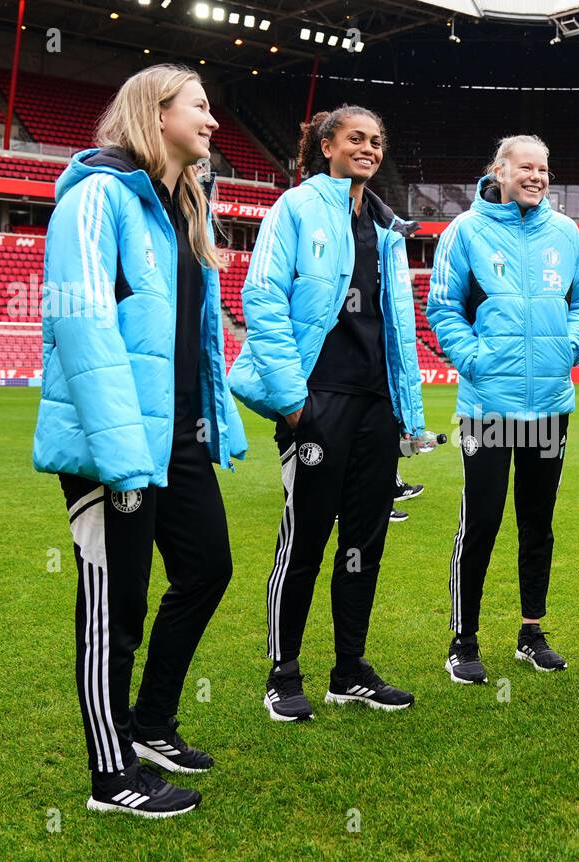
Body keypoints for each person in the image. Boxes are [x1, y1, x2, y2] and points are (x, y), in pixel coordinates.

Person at [32, 64, 248, 818]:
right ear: (154, 114)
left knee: (208, 569)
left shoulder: (181, 206)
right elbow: (82, 327)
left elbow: (191, 340)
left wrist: (212, 424)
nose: (213, 122)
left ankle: (150, 723)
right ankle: (110, 774)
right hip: (112, 444)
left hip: (176, 438)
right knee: (114, 608)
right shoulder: (96, 197)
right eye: (199, 107)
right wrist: (123, 458)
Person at [228, 104, 425, 719]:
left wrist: (406, 415)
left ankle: (350, 669)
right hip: (318, 402)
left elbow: (396, 329)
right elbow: (261, 296)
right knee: (306, 539)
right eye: (355, 139)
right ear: (326, 146)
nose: (367, 148)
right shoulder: (295, 208)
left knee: (363, 541)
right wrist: (292, 403)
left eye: (376, 139)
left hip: (375, 408)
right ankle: (283, 671)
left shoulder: (388, 228)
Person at [428, 134, 579, 685]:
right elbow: (442, 307)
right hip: (488, 407)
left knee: (538, 524)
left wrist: (571, 346)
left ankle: (531, 633)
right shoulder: (464, 232)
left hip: (551, 403)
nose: (537, 176)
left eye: (544, 168)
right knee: (481, 523)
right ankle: (464, 639)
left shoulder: (565, 233)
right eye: (526, 167)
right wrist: (475, 359)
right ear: (498, 170)